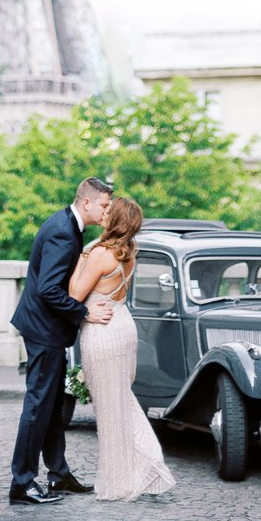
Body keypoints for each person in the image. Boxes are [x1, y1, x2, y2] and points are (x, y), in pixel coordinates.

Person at [9, 177, 114, 506]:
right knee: (38, 406)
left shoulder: (68, 225)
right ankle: (22, 483)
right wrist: (84, 312)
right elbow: (49, 290)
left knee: (52, 407)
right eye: (104, 206)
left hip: (49, 330)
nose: (107, 211)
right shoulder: (62, 231)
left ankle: (58, 475)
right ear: (87, 203)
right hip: (44, 332)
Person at [69, 196, 175, 502]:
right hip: (124, 327)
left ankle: (129, 475)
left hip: (103, 331)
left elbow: (75, 294)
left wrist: (81, 257)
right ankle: (141, 466)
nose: (103, 213)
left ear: (115, 220)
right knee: (121, 400)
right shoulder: (129, 252)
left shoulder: (100, 254)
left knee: (110, 409)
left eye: (108, 211)